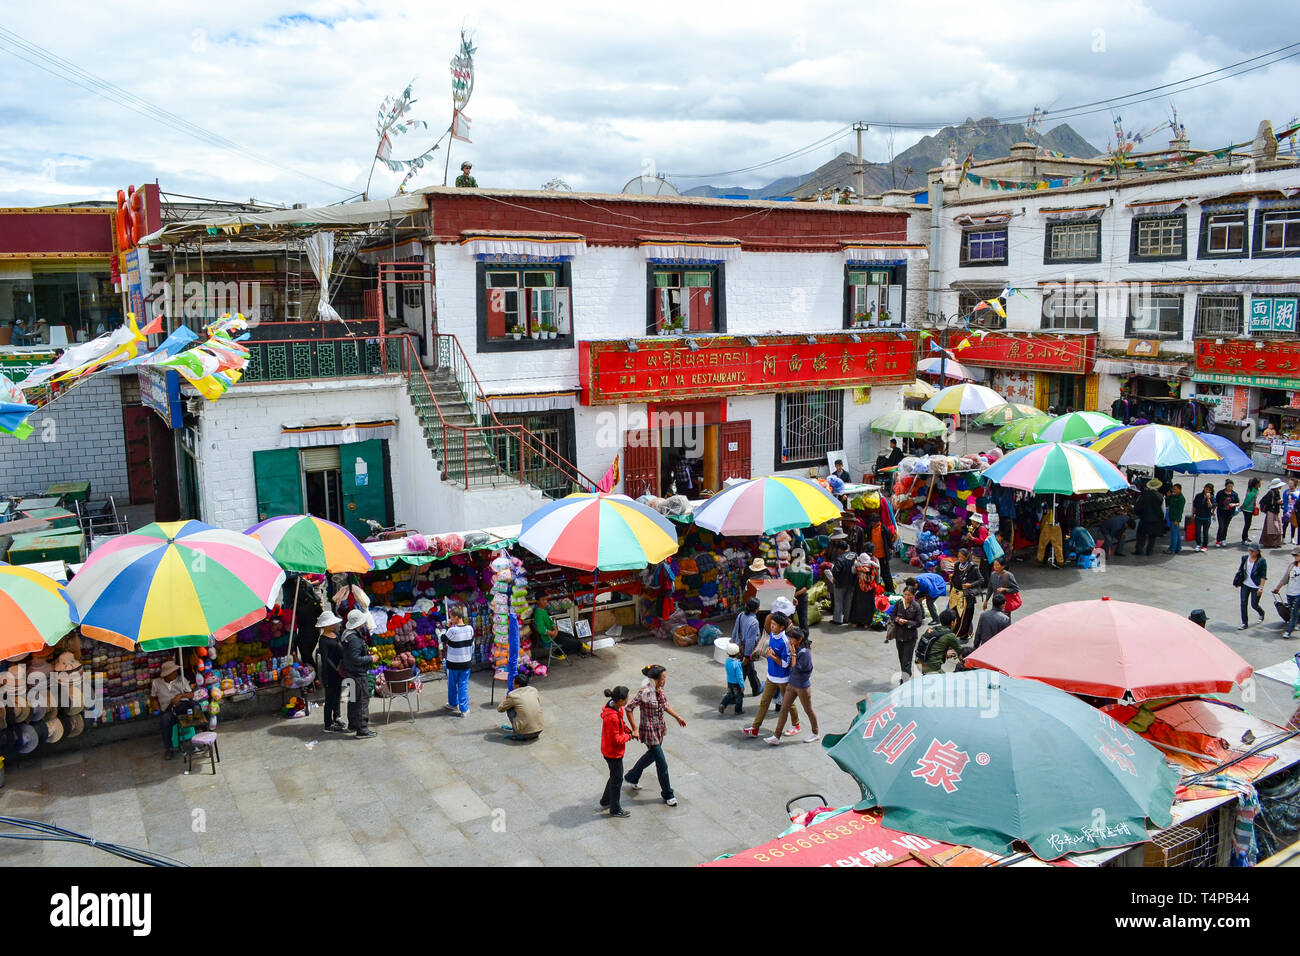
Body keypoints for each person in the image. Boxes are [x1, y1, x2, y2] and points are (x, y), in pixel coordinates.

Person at [624, 664, 686, 806]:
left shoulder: (659, 690)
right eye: (663, 678)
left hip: (659, 729)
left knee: (652, 755)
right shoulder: (644, 692)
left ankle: (632, 776)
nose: (665, 680)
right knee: (661, 763)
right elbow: (629, 708)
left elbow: (664, 706)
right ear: (656, 679)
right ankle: (668, 794)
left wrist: (677, 717)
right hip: (649, 731)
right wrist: (634, 729)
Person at [743, 610, 800, 738]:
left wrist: (773, 657)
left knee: (788, 703)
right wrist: (770, 652)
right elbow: (772, 651)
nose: (771, 626)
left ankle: (796, 724)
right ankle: (755, 728)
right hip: (771, 676)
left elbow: (786, 663)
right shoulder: (773, 636)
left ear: (782, 627)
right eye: (771, 624)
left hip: (783, 678)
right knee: (764, 702)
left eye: (774, 625)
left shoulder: (785, 642)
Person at [767, 627, 820, 744]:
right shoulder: (795, 649)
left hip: (802, 687)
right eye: (789, 637)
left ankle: (815, 732)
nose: (789, 640)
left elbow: (796, 668)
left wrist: (793, 654)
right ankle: (776, 736)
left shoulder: (805, 653)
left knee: (808, 709)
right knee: (784, 709)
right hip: (792, 684)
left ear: (799, 639)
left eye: (792, 638)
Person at [341, 608, 378, 739]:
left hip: (350, 672)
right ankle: (362, 729)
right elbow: (355, 659)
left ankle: (353, 724)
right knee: (362, 700)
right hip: (357, 674)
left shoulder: (347, 635)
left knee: (353, 699)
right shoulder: (354, 640)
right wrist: (370, 658)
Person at [598, 686, 634, 817]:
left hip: (610, 750)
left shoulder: (616, 708)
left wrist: (628, 730)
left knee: (614, 776)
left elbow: (621, 724)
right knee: (617, 780)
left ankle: (606, 800)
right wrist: (629, 736)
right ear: (620, 700)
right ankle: (615, 809)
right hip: (613, 753)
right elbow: (616, 740)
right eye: (626, 699)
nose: (627, 701)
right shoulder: (611, 717)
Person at [152, 660, 194, 760]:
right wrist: (156, 708)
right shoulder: (156, 683)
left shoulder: (181, 679)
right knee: (165, 720)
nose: (176, 673)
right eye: (173, 671)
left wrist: (180, 695)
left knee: (194, 706)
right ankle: (169, 749)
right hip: (169, 711)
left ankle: (201, 736)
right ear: (167, 674)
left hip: (183, 707)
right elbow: (153, 698)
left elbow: (191, 694)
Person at [441, 603, 475, 718]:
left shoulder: (452, 630)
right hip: (466, 663)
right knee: (463, 685)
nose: (450, 618)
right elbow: (472, 645)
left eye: (451, 616)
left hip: (453, 664)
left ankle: (453, 703)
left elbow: (442, 639)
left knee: (452, 684)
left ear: (456, 617)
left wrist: (446, 627)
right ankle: (464, 709)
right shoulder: (470, 629)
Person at [315, 610, 346, 733]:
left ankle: (337, 717)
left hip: (339, 671)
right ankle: (328, 724)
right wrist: (324, 678)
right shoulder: (323, 640)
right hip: (330, 673)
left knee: (337, 695)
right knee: (329, 699)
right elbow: (325, 660)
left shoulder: (335, 634)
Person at [886, 586, 925, 681]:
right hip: (899, 636)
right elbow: (892, 616)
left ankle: (904, 679)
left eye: (909, 595)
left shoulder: (916, 606)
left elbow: (918, 623)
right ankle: (906, 674)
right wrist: (897, 619)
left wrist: (907, 622)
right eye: (905, 595)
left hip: (910, 637)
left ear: (913, 596)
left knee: (906, 660)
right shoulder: (899, 603)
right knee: (901, 657)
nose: (907, 597)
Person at [731, 597, 763, 697]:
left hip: (738, 647)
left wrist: (732, 641)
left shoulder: (741, 615)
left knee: (750, 669)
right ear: (757, 609)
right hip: (746, 651)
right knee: (743, 672)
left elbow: (735, 630)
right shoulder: (754, 622)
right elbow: (750, 641)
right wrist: (747, 656)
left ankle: (756, 688)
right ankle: (734, 696)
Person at [916, 609, 964, 675]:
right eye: (956, 620)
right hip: (931, 668)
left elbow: (934, 647)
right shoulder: (950, 636)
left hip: (919, 663)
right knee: (946, 682)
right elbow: (962, 652)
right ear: (952, 622)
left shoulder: (932, 629)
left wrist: (945, 654)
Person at [498, 673, 543, 741]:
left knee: (509, 707)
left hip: (524, 734)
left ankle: (518, 733)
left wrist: (506, 698)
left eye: (513, 684)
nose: (512, 685)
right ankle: (523, 727)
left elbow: (500, 709)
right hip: (539, 730)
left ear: (517, 685)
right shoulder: (533, 690)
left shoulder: (513, 695)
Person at [1235, 542, 1268, 631]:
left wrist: (1261, 588)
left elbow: (1263, 576)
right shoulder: (1245, 558)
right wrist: (1238, 581)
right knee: (1243, 603)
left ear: (1257, 552)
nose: (1250, 552)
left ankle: (1261, 612)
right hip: (1245, 584)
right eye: (1249, 550)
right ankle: (1244, 623)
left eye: (1252, 551)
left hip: (1255, 586)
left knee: (1254, 604)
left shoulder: (1262, 561)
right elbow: (1241, 570)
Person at [949, 548, 980, 638]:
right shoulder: (957, 564)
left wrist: (970, 584)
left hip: (966, 596)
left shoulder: (973, 567)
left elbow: (981, 579)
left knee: (965, 616)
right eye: (959, 556)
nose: (960, 558)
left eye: (962, 557)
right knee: (955, 614)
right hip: (955, 594)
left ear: (967, 557)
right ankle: (955, 631)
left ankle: (963, 633)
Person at [849, 548, 880, 628]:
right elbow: (878, 575)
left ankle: (855, 622)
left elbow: (853, 571)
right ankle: (867, 623)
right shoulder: (874, 565)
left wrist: (856, 563)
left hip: (860, 587)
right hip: (871, 587)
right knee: (869, 604)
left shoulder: (859, 566)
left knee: (858, 604)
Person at [783, 548, 813, 631]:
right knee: (803, 619)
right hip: (802, 597)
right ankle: (805, 640)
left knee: (789, 619)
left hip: (790, 596)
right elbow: (808, 586)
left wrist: (793, 594)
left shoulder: (788, 569)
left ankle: (789, 638)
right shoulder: (808, 569)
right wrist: (797, 593)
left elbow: (786, 583)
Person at [1273, 548, 1300, 640]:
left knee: (1294, 611)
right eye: (1294, 555)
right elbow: (1285, 578)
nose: (1295, 557)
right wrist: (1277, 588)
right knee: (1293, 611)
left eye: (1297, 555)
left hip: (1298, 594)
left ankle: (1288, 631)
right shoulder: (1292, 566)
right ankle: (1297, 622)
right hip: (1290, 593)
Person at [1134, 479, 1165, 557]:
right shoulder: (1161, 496)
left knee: (1141, 535)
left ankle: (1139, 550)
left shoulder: (1143, 495)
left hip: (1144, 519)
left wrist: (1140, 514)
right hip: (1155, 520)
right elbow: (1163, 510)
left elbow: (1137, 507)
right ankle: (1149, 551)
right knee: (1152, 537)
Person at [830, 546, 858, 625]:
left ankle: (837, 620)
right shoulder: (855, 555)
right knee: (848, 601)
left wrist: (835, 578)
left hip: (840, 584)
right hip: (851, 582)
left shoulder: (840, 559)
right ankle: (847, 618)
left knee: (839, 601)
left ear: (840, 549)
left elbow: (835, 571)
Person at [719, 641, 746, 714]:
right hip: (736, 684)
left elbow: (732, 665)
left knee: (729, 695)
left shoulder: (727, 661)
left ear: (728, 653)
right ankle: (738, 711)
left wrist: (740, 663)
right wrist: (742, 686)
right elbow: (740, 676)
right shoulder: (737, 665)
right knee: (739, 698)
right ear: (738, 654)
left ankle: (723, 704)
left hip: (729, 682)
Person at [1260, 478, 1286, 549]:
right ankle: (1269, 543)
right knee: (1272, 528)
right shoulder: (1271, 492)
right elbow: (1268, 503)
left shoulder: (1277, 492)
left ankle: (1276, 543)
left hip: (1276, 512)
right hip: (1271, 512)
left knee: (1278, 528)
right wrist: (1277, 502)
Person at [1215, 479, 1241, 548]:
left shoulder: (1234, 494)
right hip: (1221, 512)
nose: (1230, 488)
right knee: (1221, 526)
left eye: (1231, 486)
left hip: (1229, 513)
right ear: (1226, 486)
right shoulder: (1220, 493)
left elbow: (1238, 503)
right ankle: (1218, 540)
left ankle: (1223, 539)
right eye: (1229, 486)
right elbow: (1216, 502)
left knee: (1226, 526)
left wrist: (1234, 504)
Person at [1036, 504, 1064, 568]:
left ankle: (1042, 559)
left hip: (1050, 523)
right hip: (1052, 523)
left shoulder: (1051, 505)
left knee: (1044, 543)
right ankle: (1058, 561)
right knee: (1056, 544)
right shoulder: (1055, 506)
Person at [1193, 484, 1216, 552]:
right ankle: (1198, 544)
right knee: (1197, 531)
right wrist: (1193, 514)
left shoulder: (1212, 497)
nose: (1207, 490)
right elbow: (1195, 506)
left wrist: (1208, 499)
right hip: (1198, 516)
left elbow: (1211, 506)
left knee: (1205, 532)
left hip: (1207, 518)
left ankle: (1204, 545)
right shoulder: (1198, 496)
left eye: (1209, 490)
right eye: (1206, 489)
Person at [1166, 482, 1187, 555]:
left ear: (1180, 490)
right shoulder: (1173, 496)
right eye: (1173, 489)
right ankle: (1178, 547)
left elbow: (1180, 510)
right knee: (1177, 534)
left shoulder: (1181, 499)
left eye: (1175, 489)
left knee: (1174, 534)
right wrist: (1168, 497)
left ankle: (1172, 549)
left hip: (1175, 518)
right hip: (1171, 516)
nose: (1174, 490)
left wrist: (1177, 520)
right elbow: (1168, 503)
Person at [1241, 477, 1262, 544]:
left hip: (1249, 509)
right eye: (1259, 483)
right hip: (1247, 510)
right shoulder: (1252, 493)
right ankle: (1244, 539)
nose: (1261, 484)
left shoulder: (1253, 490)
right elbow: (1247, 501)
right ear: (1256, 484)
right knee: (1247, 524)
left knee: (1248, 524)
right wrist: (1242, 507)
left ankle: (1246, 537)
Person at [1285, 477, 1300, 545]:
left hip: (1294, 511)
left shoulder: (1297, 492)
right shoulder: (1286, 491)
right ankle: (1283, 537)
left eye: (1291, 483)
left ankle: (1292, 538)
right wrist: (1285, 509)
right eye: (1289, 483)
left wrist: (1292, 494)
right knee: (1285, 524)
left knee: (1293, 525)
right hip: (1288, 510)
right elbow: (1285, 500)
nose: (1290, 485)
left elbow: (1297, 500)